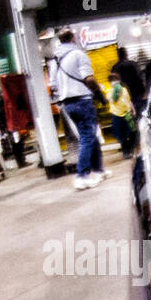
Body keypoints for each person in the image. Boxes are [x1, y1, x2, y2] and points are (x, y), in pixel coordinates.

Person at [48, 27, 108, 189]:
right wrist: (100, 93)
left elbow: (53, 85)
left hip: (67, 103)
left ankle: (98, 170)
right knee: (87, 137)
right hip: (82, 100)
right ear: (73, 38)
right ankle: (81, 176)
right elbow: (88, 79)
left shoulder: (54, 60)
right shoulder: (78, 55)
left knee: (91, 135)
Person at [106, 72, 137, 158]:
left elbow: (129, 100)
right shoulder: (110, 92)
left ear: (119, 80)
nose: (114, 82)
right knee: (120, 135)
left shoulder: (124, 89)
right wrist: (116, 93)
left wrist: (133, 110)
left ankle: (130, 148)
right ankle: (125, 152)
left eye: (115, 80)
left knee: (132, 132)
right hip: (117, 115)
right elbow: (112, 100)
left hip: (127, 114)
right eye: (112, 81)